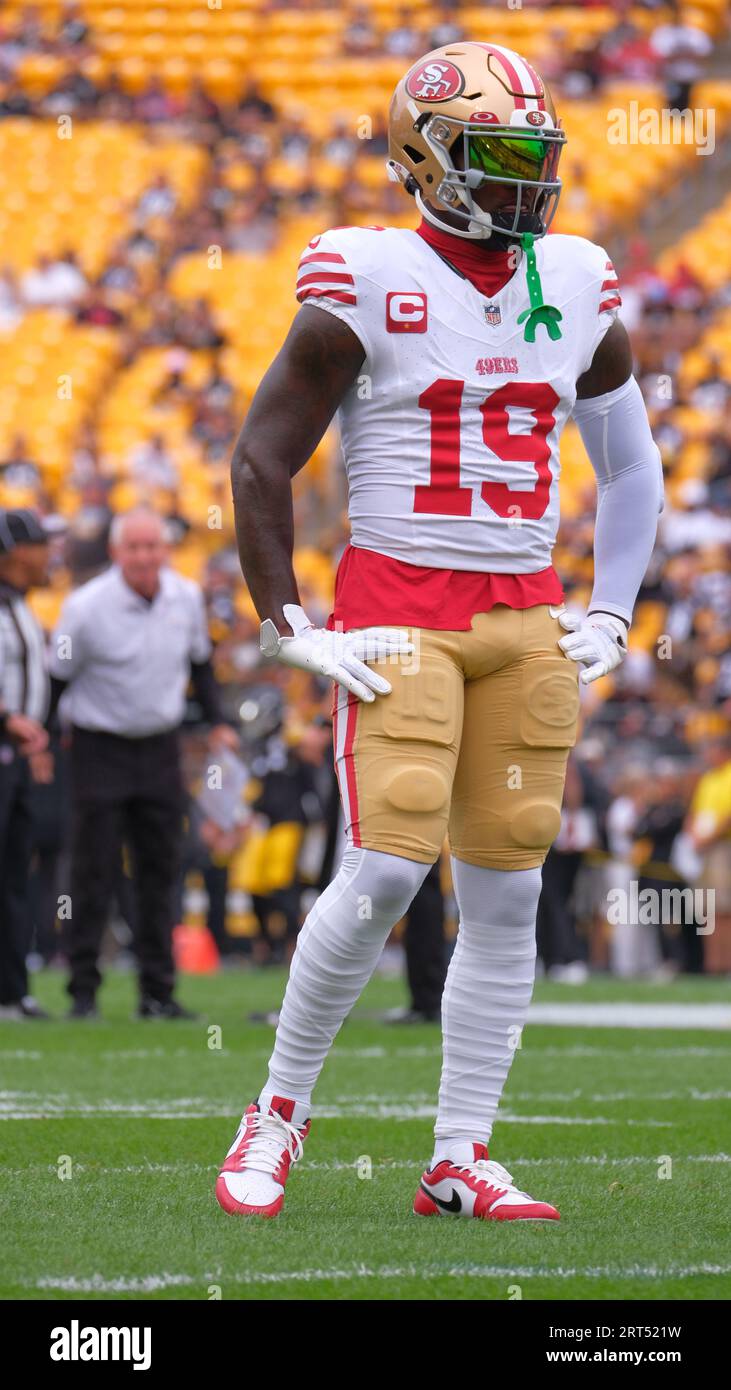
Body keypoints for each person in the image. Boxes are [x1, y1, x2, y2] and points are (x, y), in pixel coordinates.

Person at [219, 42, 662, 1221]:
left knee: (510, 881)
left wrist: (612, 608)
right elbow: (261, 459)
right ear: (426, 157)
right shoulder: (366, 274)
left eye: (536, 154)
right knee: (382, 871)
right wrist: (287, 623)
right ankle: (275, 1111)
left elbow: (630, 470)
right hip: (396, 608)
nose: (526, 180)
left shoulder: (569, 275)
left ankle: (459, 1151)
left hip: (520, 614)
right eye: (499, 154)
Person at [49, 508, 237, 1019]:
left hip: (160, 747)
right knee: (93, 871)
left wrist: (218, 720)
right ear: (116, 553)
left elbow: (201, 666)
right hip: (98, 746)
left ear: (165, 550)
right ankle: (82, 991)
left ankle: (158, 991)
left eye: (151, 546)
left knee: (161, 870)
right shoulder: (86, 607)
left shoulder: (184, 597)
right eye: (133, 547)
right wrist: (43, 741)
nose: (143, 556)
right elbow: (57, 678)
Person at [0, 509, 52, 1019]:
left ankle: (12, 991)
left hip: (16, 759)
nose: (47, 555)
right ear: (15, 550)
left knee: (15, 872)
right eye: (39, 544)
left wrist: (34, 741)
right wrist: (7, 719)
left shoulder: (20, 606)